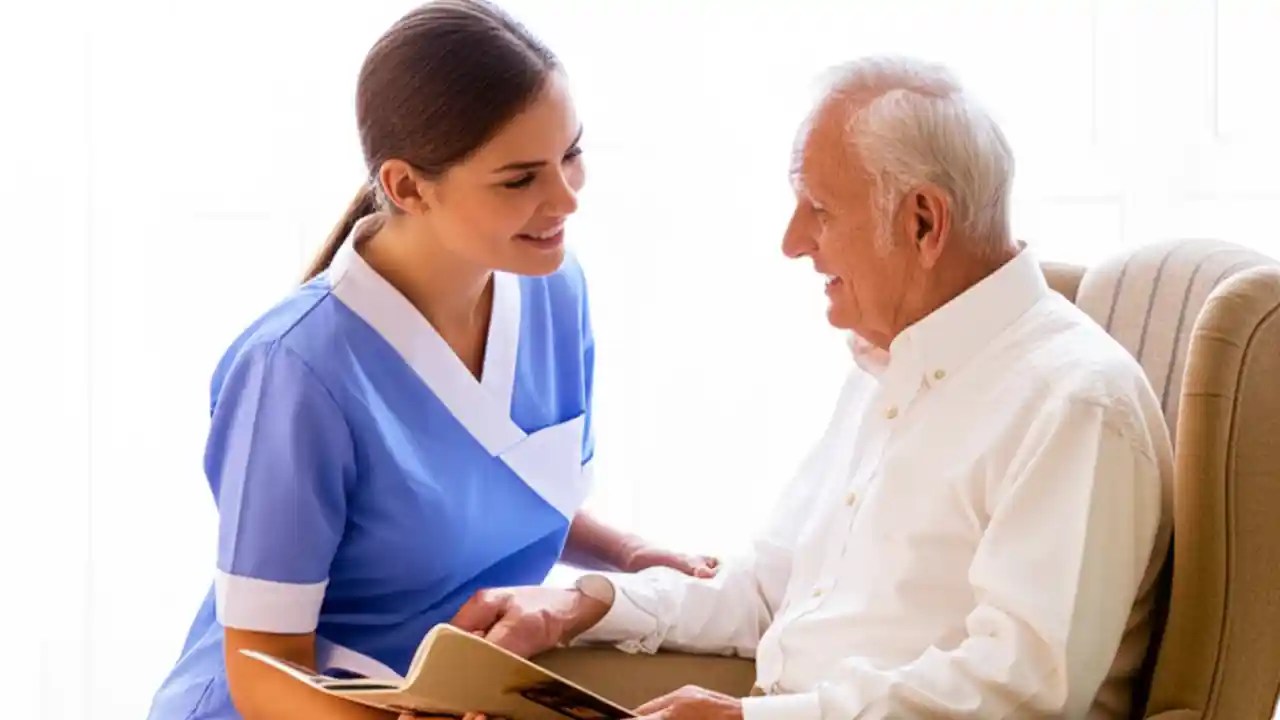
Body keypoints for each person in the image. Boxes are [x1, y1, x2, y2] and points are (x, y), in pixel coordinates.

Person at [451, 56, 1174, 720]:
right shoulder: (890, 366)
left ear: (923, 222)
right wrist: (580, 603)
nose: (793, 242)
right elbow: (772, 591)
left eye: (819, 210)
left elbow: (1019, 692)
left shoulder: (1075, 403)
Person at [146, 2, 717, 719]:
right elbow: (265, 678)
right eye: (521, 179)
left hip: (449, 699)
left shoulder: (556, 291)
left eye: (571, 154)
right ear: (409, 186)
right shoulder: (291, 372)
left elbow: (507, 487)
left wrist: (633, 557)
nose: (566, 198)